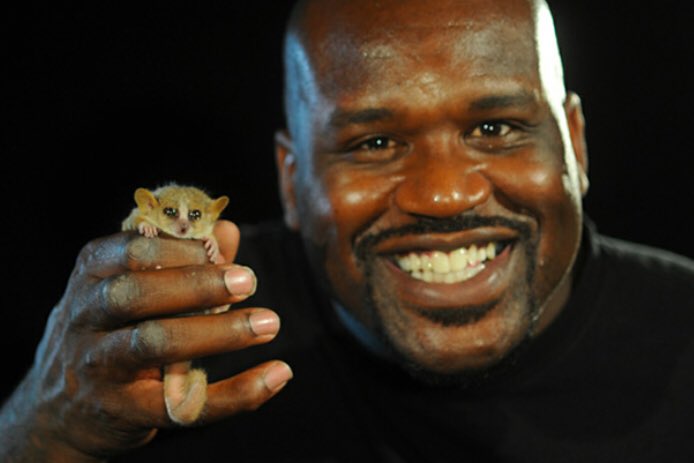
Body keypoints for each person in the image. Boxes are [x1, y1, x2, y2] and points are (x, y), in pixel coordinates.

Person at [2, 0, 693, 461]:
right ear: (290, 179)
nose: (444, 193)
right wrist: (42, 430)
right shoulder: (170, 356)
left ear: (574, 142)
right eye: (374, 143)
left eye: (494, 128)